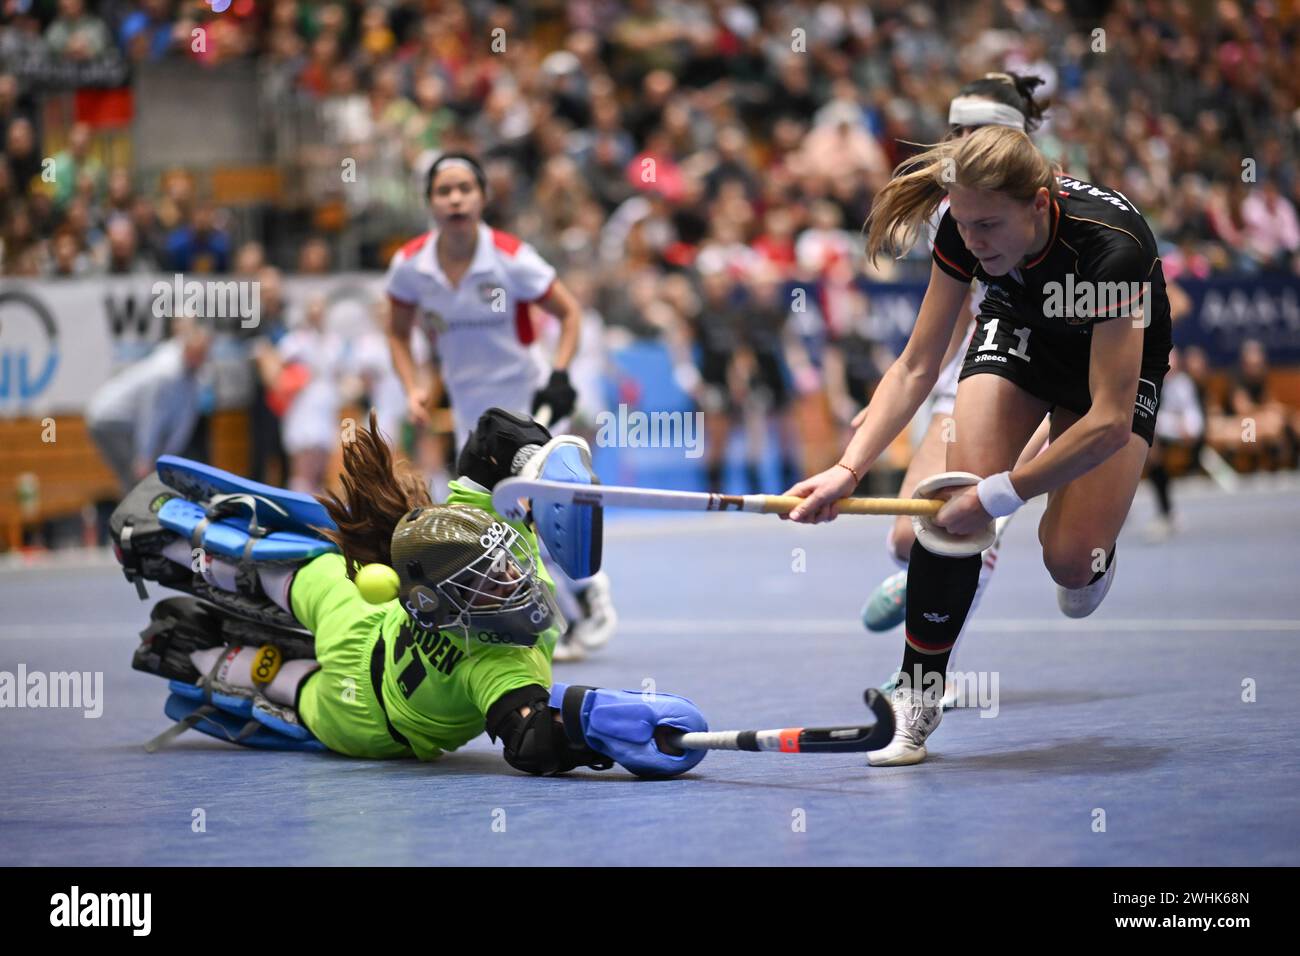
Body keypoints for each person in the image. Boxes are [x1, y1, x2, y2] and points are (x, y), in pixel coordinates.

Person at [786, 124, 1173, 767]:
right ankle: (919, 692)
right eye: (963, 224)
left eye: (988, 226)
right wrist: (849, 469)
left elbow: (1106, 420)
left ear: (1039, 207)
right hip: (1019, 333)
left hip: (1106, 374)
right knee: (951, 506)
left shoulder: (1112, 250)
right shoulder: (965, 230)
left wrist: (999, 496)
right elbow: (916, 366)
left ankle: (1078, 522)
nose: (972, 240)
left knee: (1070, 561)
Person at [114, 410, 706, 779]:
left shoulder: (487, 552)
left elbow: (487, 444)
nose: (510, 574)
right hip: (370, 624)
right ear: (450, 599)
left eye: (505, 566)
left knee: (280, 672)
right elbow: (530, 739)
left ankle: (195, 656)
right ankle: (166, 545)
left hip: (366, 713)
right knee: (300, 567)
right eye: (488, 579)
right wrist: (589, 723)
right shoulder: (500, 648)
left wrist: (535, 456)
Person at [858, 73, 1053, 709]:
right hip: (966, 374)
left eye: (974, 132)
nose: (958, 143)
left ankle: (924, 674)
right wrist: (892, 403)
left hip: (1035, 382)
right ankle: (928, 579)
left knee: (963, 523)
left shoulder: (1039, 204)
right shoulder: (956, 209)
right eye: (954, 130)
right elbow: (950, 326)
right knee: (904, 536)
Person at [384, 152, 616, 660]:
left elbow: (570, 313)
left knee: (523, 512)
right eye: (444, 191)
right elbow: (397, 333)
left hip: (524, 405)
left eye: (465, 188)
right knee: (487, 523)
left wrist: (559, 374)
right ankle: (569, 600)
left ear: (483, 197)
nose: (455, 199)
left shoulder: (511, 257)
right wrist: (413, 387)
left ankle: (583, 599)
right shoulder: (410, 267)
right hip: (471, 416)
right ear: (430, 202)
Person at [86, 316, 211, 494]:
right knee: (138, 477)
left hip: (126, 422)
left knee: (144, 478)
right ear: (188, 350)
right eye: (198, 354)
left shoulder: (192, 371)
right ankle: (132, 519)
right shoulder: (166, 372)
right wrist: (144, 457)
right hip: (108, 419)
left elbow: (184, 421)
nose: (202, 359)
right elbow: (150, 417)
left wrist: (168, 457)